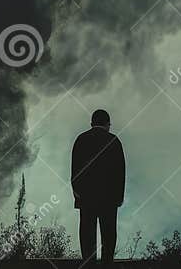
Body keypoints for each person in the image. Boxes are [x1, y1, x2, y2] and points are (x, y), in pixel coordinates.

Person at [71, 109, 125, 264]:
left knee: (87, 235)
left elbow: (75, 169)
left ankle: (89, 264)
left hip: (87, 198)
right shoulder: (114, 141)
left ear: (92, 123)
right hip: (109, 198)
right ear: (107, 124)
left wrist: (77, 192)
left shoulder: (81, 140)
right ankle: (107, 264)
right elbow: (120, 172)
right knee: (108, 235)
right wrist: (119, 197)